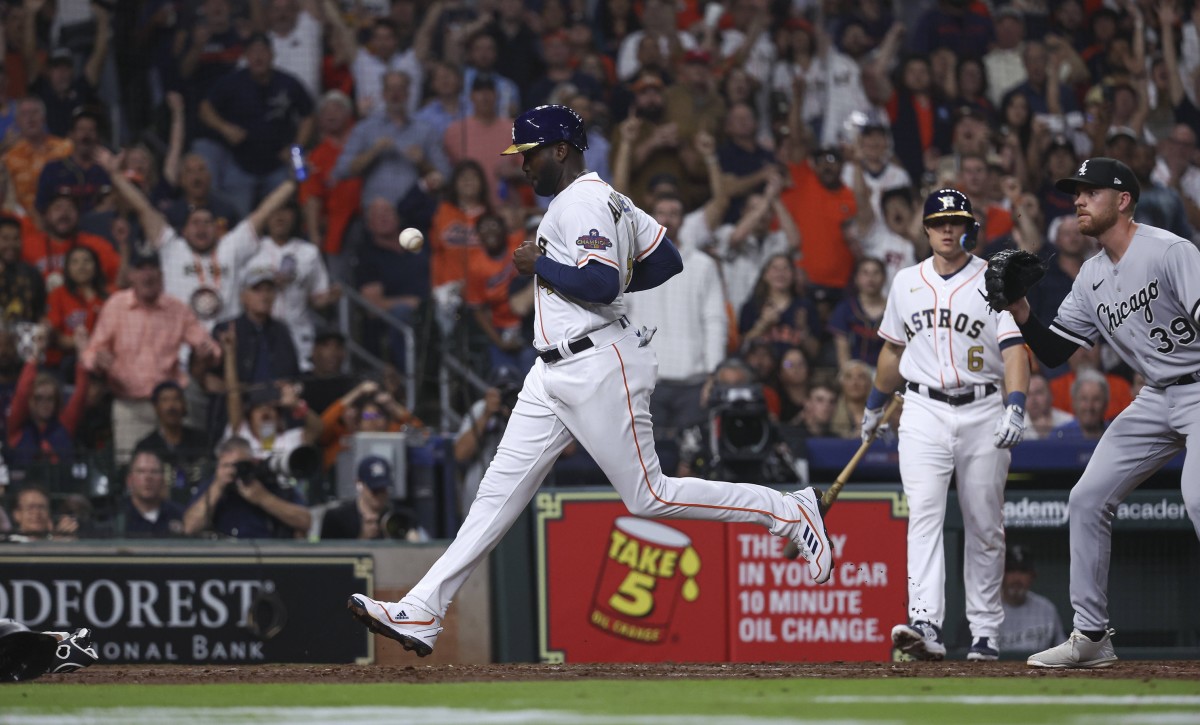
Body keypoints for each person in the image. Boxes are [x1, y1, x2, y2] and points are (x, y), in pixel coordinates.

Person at [347, 104, 835, 657]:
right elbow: (664, 259)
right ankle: (423, 610)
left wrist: (540, 266)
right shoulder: (608, 198)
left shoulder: (580, 202)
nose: (522, 166)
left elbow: (602, 284)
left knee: (650, 497)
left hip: (598, 362)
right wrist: (601, 270)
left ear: (560, 150)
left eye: (529, 154)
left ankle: (789, 512)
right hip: (551, 368)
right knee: (493, 497)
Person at [996, 159, 1200, 668]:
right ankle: (1091, 635)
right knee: (1086, 498)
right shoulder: (1090, 277)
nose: (1078, 200)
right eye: (1075, 193)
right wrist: (1020, 307)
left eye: (1090, 191)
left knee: (1197, 498)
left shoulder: (1169, 250)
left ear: (1123, 199)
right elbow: (1055, 351)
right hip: (1156, 397)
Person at [863, 188, 1030, 662]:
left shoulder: (991, 279)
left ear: (969, 227)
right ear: (926, 227)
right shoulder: (905, 282)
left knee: (984, 524)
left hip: (982, 409)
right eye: (939, 222)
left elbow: (1017, 350)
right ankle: (925, 623)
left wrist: (1015, 403)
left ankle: (985, 633)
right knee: (924, 517)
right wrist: (874, 405)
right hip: (922, 410)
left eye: (955, 221)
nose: (947, 229)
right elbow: (892, 350)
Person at [82, 244, 221, 463]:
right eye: (141, 268)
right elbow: (90, 353)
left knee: (184, 467)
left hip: (170, 402)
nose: (147, 274)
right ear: (131, 275)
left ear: (161, 275)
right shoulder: (115, 305)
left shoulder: (176, 308)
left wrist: (208, 351)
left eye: (152, 268)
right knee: (132, 469)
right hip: (131, 405)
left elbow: (208, 346)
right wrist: (97, 360)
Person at [182, 436, 311, 539]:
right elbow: (190, 527)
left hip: (268, 556)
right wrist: (218, 486)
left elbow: (305, 520)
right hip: (226, 557)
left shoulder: (266, 482)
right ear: (218, 467)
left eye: (239, 465)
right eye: (227, 465)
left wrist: (264, 498)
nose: (233, 470)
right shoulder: (213, 486)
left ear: (252, 462)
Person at [133, 381, 212, 500]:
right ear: (156, 406)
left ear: (184, 404)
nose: (171, 406)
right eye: (165, 400)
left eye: (176, 399)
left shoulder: (201, 440)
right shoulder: (146, 447)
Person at [320, 454, 423, 541]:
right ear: (359, 484)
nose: (379, 495)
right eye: (374, 490)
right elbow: (327, 557)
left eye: (383, 489)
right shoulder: (337, 518)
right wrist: (362, 538)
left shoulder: (402, 518)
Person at [997, 545, 1066, 656]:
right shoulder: (985, 609)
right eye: (1011, 570)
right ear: (1000, 575)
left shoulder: (1047, 610)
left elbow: (1063, 652)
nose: (1016, 578)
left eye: (1023, 571)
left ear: (1033, 575)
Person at [120, 448, 185, 537]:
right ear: (129, 480)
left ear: (163, 480)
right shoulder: (117, 518)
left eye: (154, 472)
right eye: (141, 471)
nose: (148, 478)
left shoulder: (179, 515)